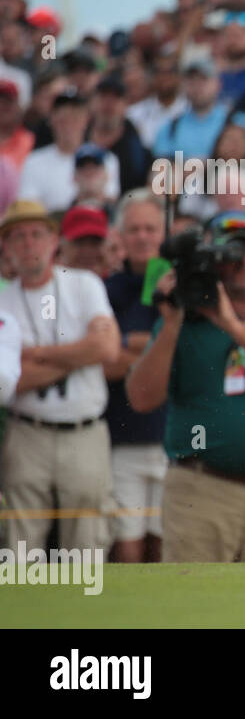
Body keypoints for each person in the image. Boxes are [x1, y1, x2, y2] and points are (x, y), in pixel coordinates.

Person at [124, 217, 245, 563]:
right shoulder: (183, 320)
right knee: (195, 611)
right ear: (214, 262)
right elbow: (141, 398)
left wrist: (229, 323)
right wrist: (171, 325)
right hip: (201, 491)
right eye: (231, 253)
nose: (242, 261)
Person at [0, 199, 120, 554]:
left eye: (37, 234)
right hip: (28, 432)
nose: (28, 244)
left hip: (84, 429)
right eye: (17, 237)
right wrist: (77, 354)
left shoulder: (83, 284)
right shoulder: (5, 304)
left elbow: (106, 349)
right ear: (6, 248)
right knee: (21, 544)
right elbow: (11, 381)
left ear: (54, 241)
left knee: (87, 543)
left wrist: (36, 355)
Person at [102, 190, 166, 563]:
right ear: (121, 235)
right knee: (126, 548)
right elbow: (102, 359)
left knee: (163, 547)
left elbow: (179, 355)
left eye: (150, 229)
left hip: (171, 437)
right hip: (122, 439)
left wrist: (126, 347)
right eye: (134, 229)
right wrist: (146, 347)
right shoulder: (107, 290)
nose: (142, 236)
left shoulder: (178, 290)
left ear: (163, 233)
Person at [19, 88, 120, 213]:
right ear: (51, 120)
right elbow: (29, 207)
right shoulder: (33, 162)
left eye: (75, 117)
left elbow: (109, 201)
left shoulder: (106, 158)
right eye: (63, 118)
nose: (69, 124)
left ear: (86, 120)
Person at [152, 58, 230, 160]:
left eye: (203, 79)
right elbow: (160, 169)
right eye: (191, 80)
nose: (197, 85)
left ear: (218, 84)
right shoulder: (169, 128)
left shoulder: (234, 123)